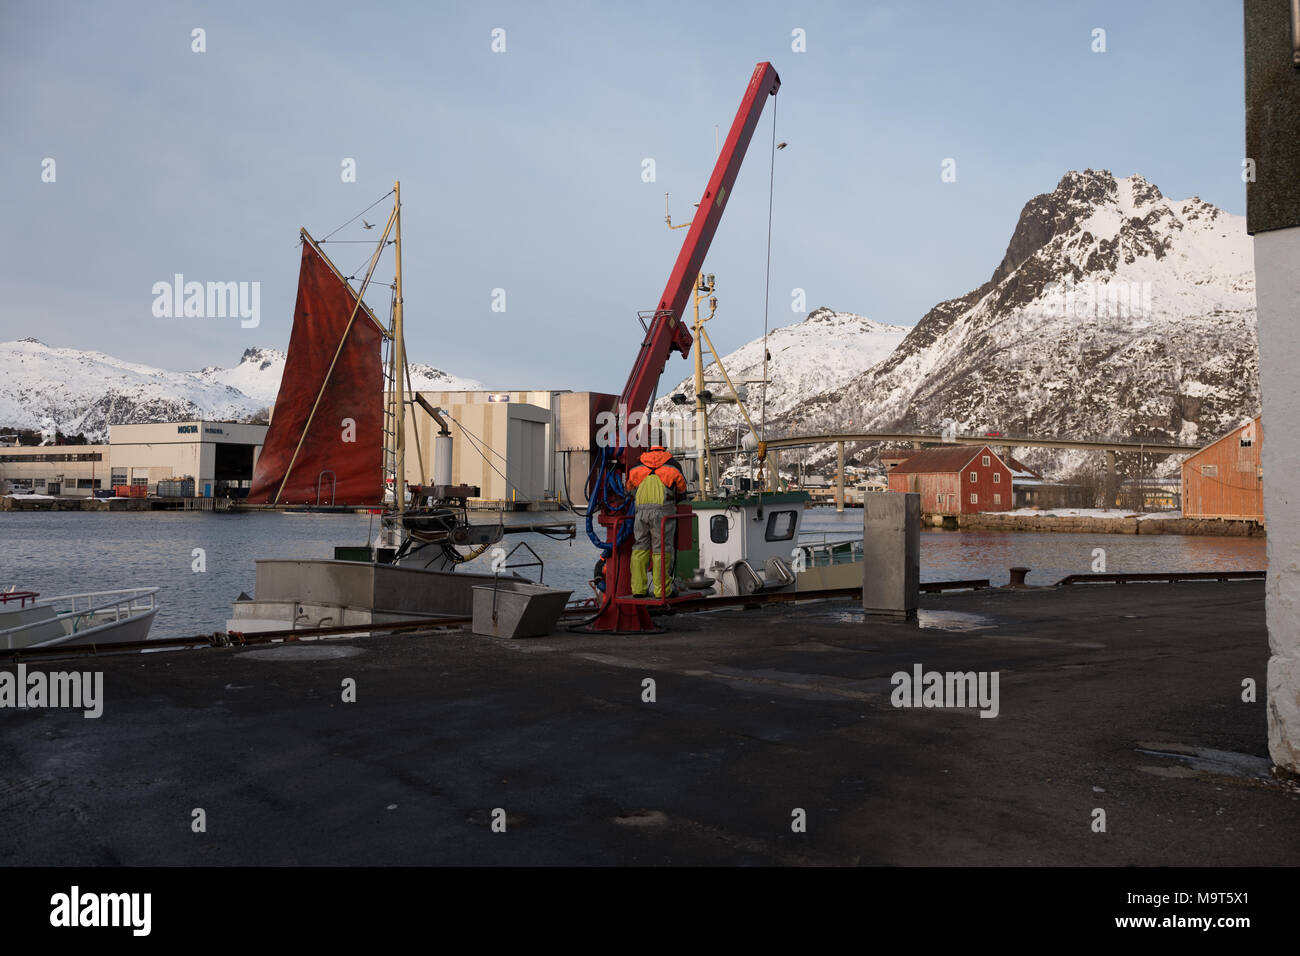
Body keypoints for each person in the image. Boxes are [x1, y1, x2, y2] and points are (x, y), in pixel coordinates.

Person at [627, 443, 687, 598]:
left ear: (649, 448)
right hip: (663, 512)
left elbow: (629, 488)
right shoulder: (673, 465)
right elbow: (682, 489)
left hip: (640, 513)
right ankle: (662, 590)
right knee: (662, 549)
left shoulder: (636, 466)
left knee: (640, 547)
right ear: (664, 447)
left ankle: (638, 589)